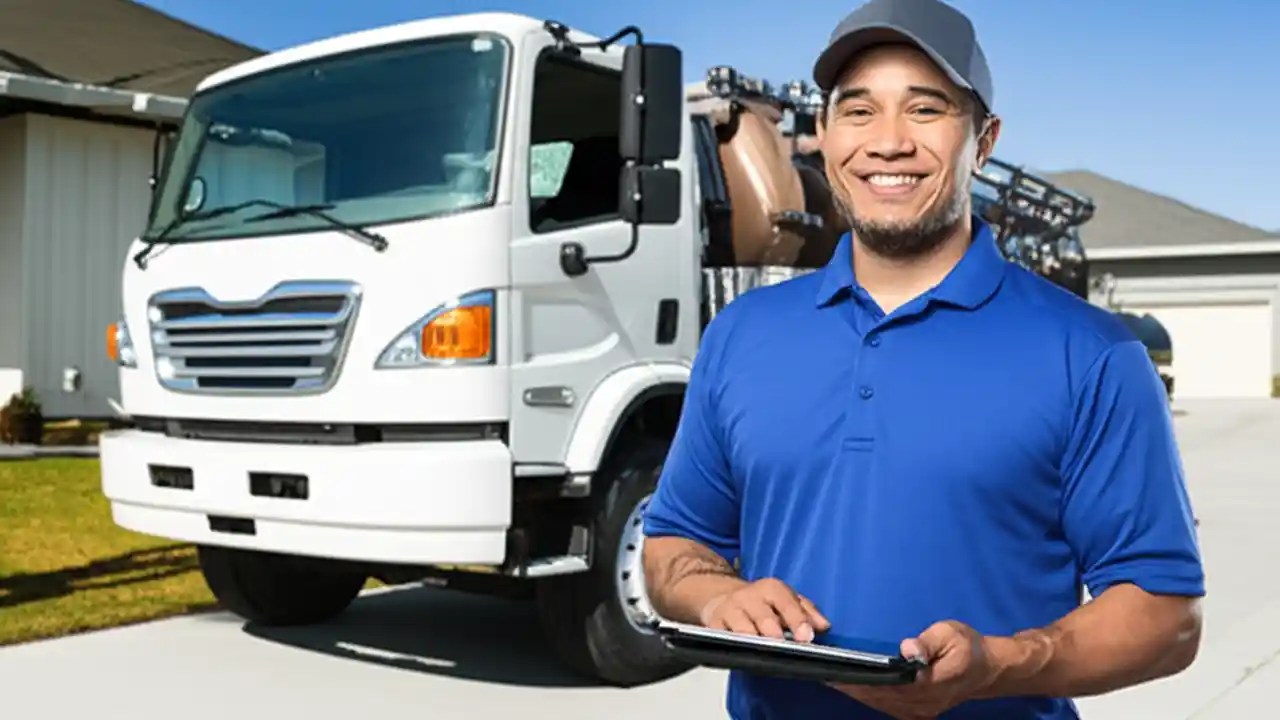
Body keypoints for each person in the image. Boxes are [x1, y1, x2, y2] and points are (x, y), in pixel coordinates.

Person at [640, 0, 1205, 718]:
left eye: (926, 110)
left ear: (984, 139)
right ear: (823, 133)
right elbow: (673, 547)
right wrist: (717, 594)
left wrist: (1001, 663)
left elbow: (1166, 617)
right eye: (859, 111)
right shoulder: (742, 336)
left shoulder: (1092, 355)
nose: (888, 142)